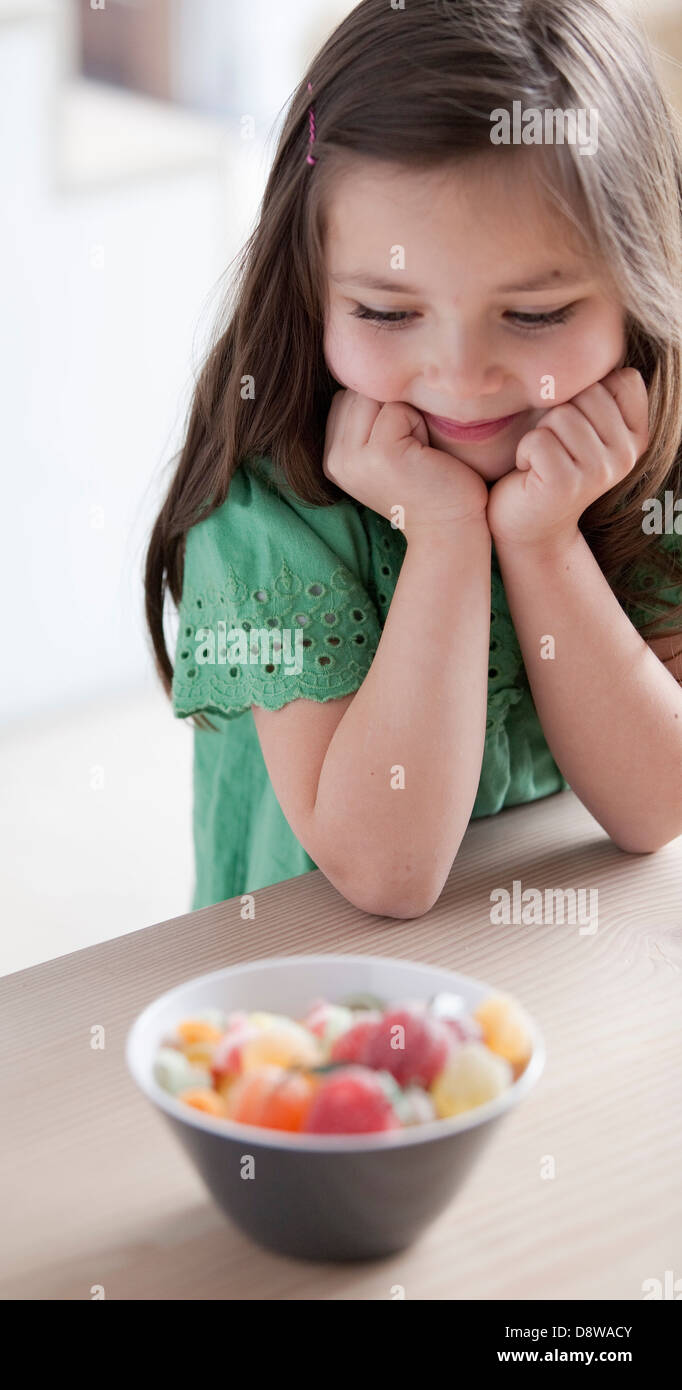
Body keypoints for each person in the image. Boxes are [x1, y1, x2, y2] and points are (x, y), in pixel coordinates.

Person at [144, 0, 682, 915]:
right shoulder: (267, 513)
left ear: (637, 295)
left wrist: (543, 542)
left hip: (549, 977)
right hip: (316, 997)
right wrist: (444, 537)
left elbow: (656, 805)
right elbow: (387, 875)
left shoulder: (640, 461)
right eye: (388, 313)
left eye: (538, 313)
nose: (466, 379)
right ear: (309, 291)